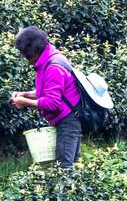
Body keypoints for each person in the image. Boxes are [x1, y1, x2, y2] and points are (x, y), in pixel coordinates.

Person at [10, 26, 83, 168]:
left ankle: (69, 190)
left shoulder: (52, 67)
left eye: (24, 53)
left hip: (68, 120)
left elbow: (52, 102)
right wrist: (26, 94)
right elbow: (50, 90)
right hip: (71, 116)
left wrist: (23, 102)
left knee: (64, 167)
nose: (25, 58)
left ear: (32, 51)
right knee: (71, 163)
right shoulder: (51, 57)